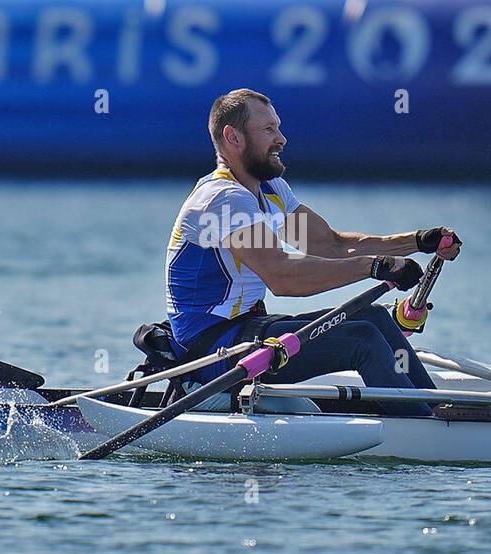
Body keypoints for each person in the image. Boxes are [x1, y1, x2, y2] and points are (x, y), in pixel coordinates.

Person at [164, 88, 460, 415]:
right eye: (268, 130)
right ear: (233, 137)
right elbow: (283, 276)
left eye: (277, 127)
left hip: (249, 330)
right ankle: (424, 428)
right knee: (361, 338)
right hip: (211, 352)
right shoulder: (223, 199)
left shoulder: (270, 190)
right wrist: (376, 266)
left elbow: (331, 245)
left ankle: (437, 411)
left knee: (372, 316)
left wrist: (417, 242)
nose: (282, 138)